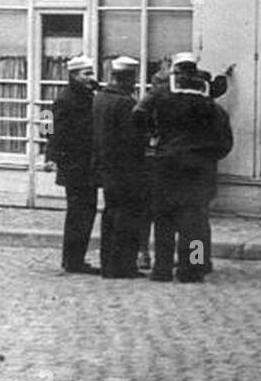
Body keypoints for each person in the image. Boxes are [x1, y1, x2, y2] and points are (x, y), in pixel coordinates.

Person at [137, 54, 233, 283]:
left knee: (164, 220)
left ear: (176, 74)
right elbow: (225, 144)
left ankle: (162, 268)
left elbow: (138, 115)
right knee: (196, 224)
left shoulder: (160, 98)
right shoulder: (213, 108)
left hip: (166, 166)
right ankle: (194, 268)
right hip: (199, 171)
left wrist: (152, 137)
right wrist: (207, 157)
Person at [92, 56, 150, 279]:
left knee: (110, 214)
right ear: (129, 79)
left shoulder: (99, 99)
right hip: (126, 168)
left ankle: (108, 264)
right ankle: (124, 265)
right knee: (127, 217)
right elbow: (133, 138)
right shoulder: (126, 103)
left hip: (106, 168)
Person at [48, 55, 101, 274]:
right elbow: (48, 124)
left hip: (84, 164)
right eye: (86, 73)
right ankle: (73, 261)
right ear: (74, 75)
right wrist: (52, 154)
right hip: (75, 165)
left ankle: (74, 259)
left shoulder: (86, 95)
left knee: (84, 213)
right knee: (79, 214)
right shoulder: (66, 98)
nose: (91, 77)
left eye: (91, 72)